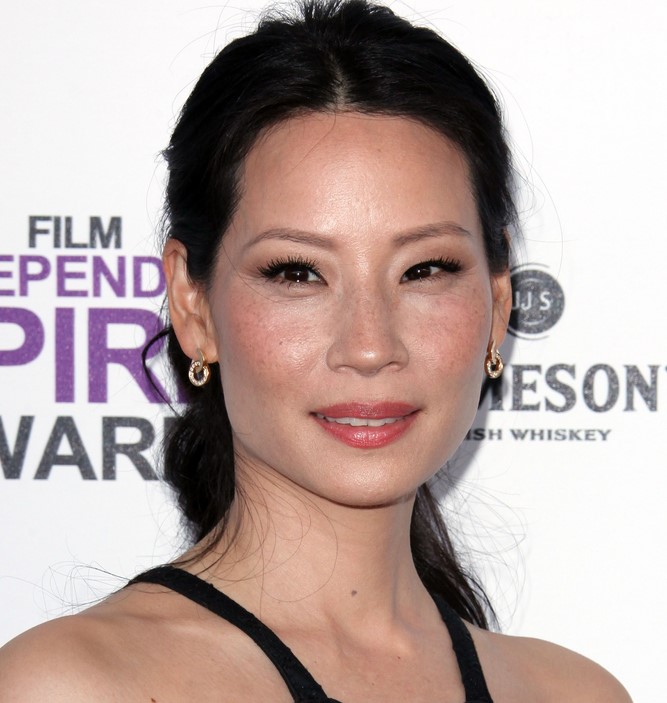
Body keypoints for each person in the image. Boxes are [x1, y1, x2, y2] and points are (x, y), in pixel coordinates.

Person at [0, 1, 632, 701]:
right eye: (297, 273)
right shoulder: (72, 685)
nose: (370, 346)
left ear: (498, 303)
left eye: (425, 269)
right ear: (192, 304)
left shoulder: (575, 692)